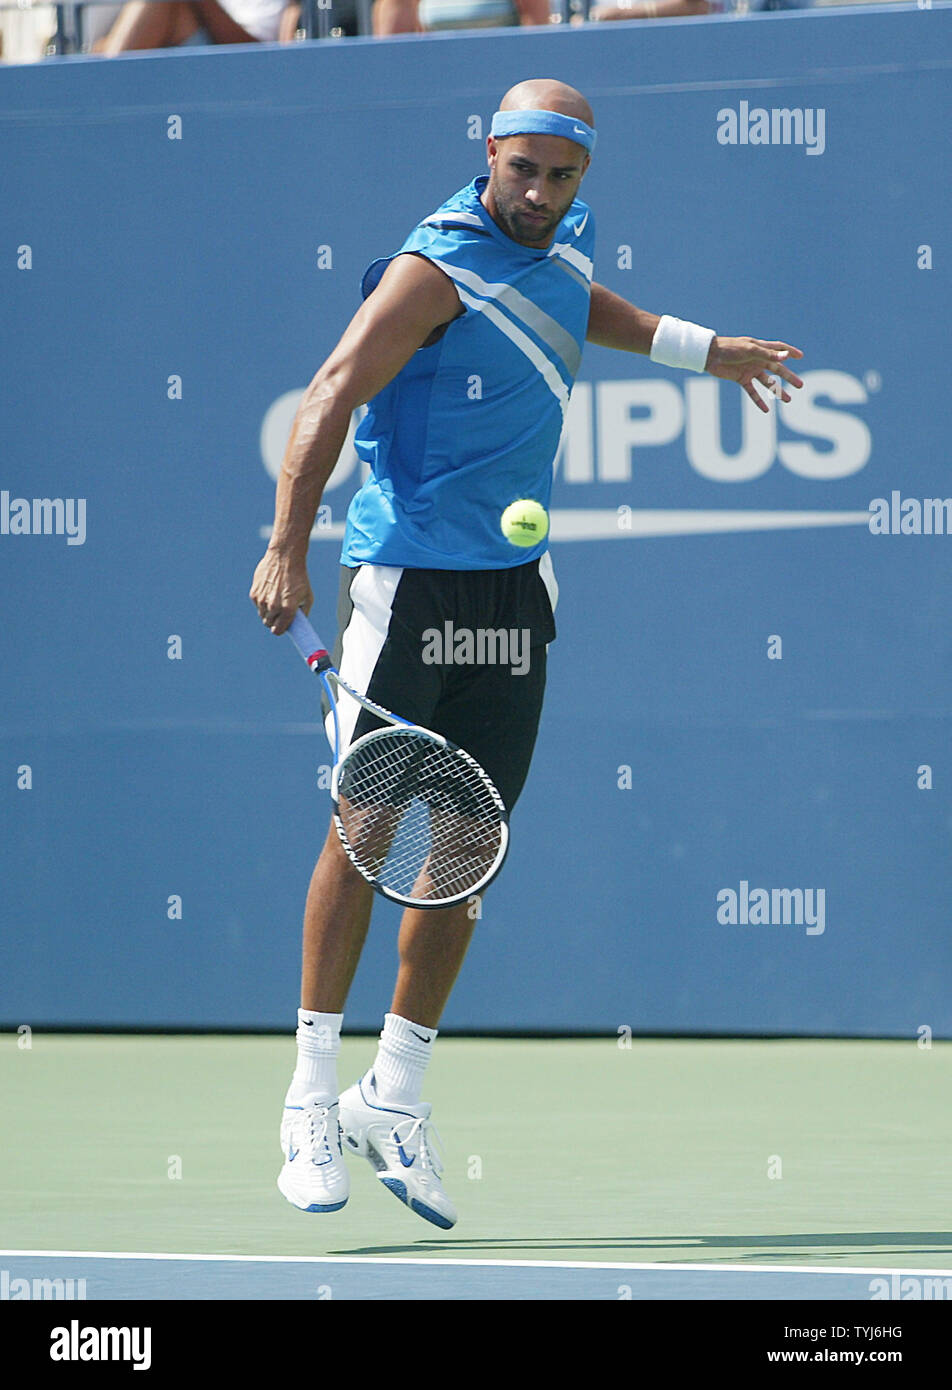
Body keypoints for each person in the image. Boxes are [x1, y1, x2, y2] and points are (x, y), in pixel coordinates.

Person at [250, 76, 803, 1228]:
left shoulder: (560, 235)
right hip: (403, 581)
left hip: (512, 590)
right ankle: (308, 1092)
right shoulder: (432, 268)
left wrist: (709, 352)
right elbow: (332, 390)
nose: (539, 194)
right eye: (522, 171)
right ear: (485, 154)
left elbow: (577, 304)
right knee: (364, 833)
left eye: (560, 177)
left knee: (468, 838)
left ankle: (393, 1092)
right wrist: (285, 547)